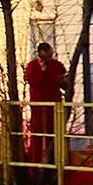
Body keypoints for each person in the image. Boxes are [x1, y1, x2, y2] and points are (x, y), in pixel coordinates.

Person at [20, 39, 70, 177]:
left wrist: (65, 80)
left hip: (54, 106)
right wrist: (42, 71)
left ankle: (54, 165)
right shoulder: (32, 66)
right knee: (38, 135)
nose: (47, 58)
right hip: (39, 106)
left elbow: (63, 84)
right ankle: (36, 166)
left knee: (54, 134)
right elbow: (33, 81)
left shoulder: (57, 65)